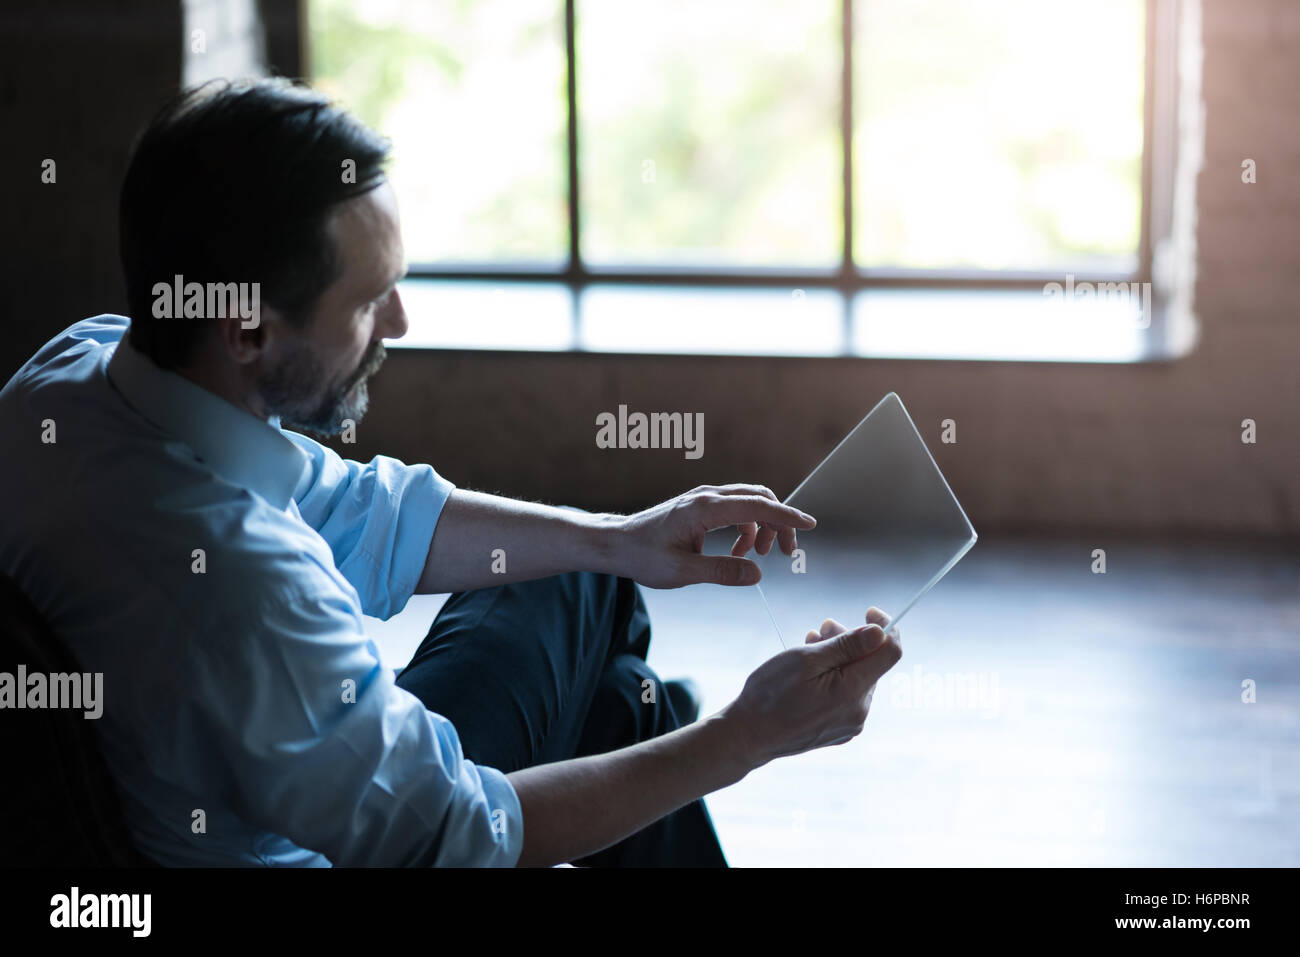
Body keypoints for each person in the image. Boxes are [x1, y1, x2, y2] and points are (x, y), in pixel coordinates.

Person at [0, 78, 902, 867]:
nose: (398, 321)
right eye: (367, 299)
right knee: (612, 680)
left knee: (591, 585)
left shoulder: (74, 373)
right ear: (246, 331)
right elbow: (470, 842)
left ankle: (629, 710)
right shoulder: (246, 590)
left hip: (245, 790)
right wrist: (748, 735)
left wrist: (624, 537)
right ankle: (638, 716)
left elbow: (357, 508)